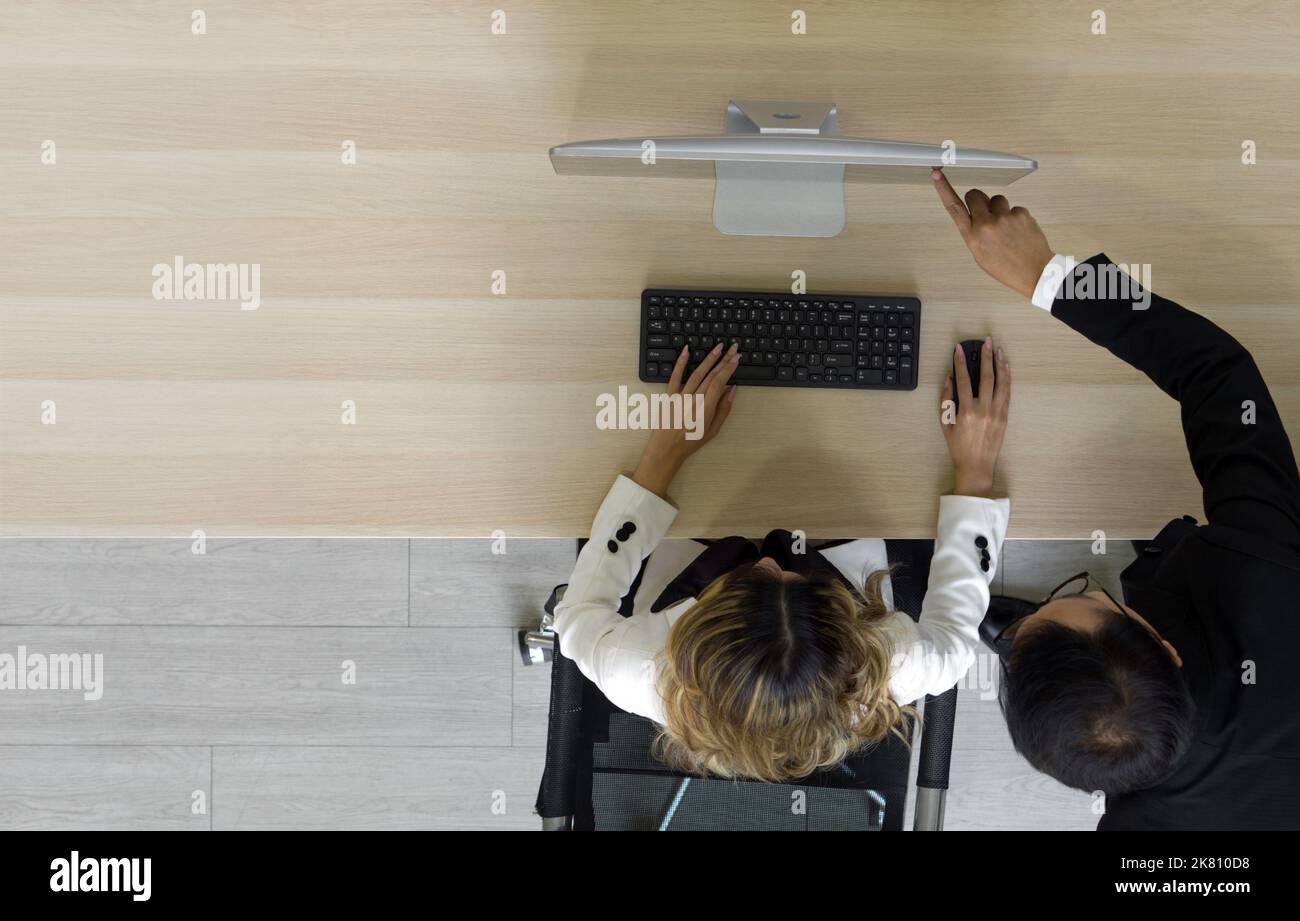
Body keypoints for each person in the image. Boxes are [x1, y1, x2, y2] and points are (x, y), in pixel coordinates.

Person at [932, 168, 1300, 829]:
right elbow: (1220, 377)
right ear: (1167, 646)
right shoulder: (1268, 580)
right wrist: (1049, 277)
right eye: (1084, 594)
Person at [553, 337, 1011, 782]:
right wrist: (975, 473)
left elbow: (577, 614)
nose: (770, 562)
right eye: (790, 579)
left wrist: (664, 453)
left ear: (691, 637)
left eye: (754, 577)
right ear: (852, 634)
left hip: (693, 560)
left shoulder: (635, 667)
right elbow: (955, 642)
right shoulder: (885, 664)